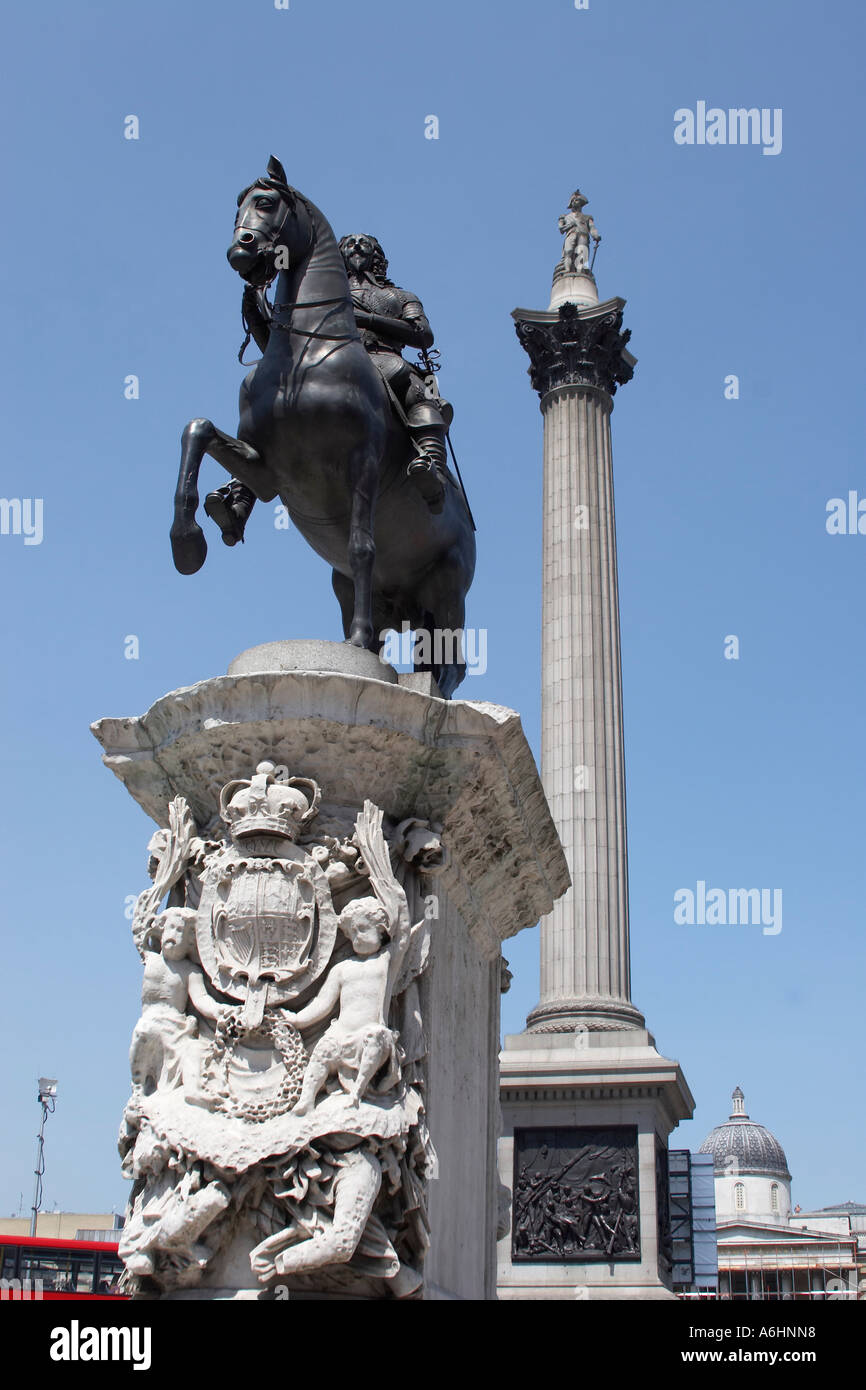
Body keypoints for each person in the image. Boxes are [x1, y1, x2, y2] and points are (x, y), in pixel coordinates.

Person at [204, 234, 452, 545]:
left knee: (419, 392)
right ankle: (240, 498)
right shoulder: (321, 295)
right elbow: (278, 347)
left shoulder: (400, 296)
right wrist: (255, 305)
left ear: (378, 256)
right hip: (325, 362)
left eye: (366, 244)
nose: (357, 247)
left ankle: (431, 468)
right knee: (272, 394)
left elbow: (422, 334)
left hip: (382, 359)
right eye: (349, 244)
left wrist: (364, 318)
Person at [283, 896, 401, 1114]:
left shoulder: (386, 961)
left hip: (372, 1033)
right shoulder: (342, 968)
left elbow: (403, 929)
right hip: (342, 1033)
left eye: (363, 929)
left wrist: (392, 889)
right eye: (351, 933)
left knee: (373, 1038)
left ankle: (357, 1093)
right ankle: (307, 1099)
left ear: (382, 930)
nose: (356, 938)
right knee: (323, 1049)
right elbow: (322, 1003)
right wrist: (298, 1019)